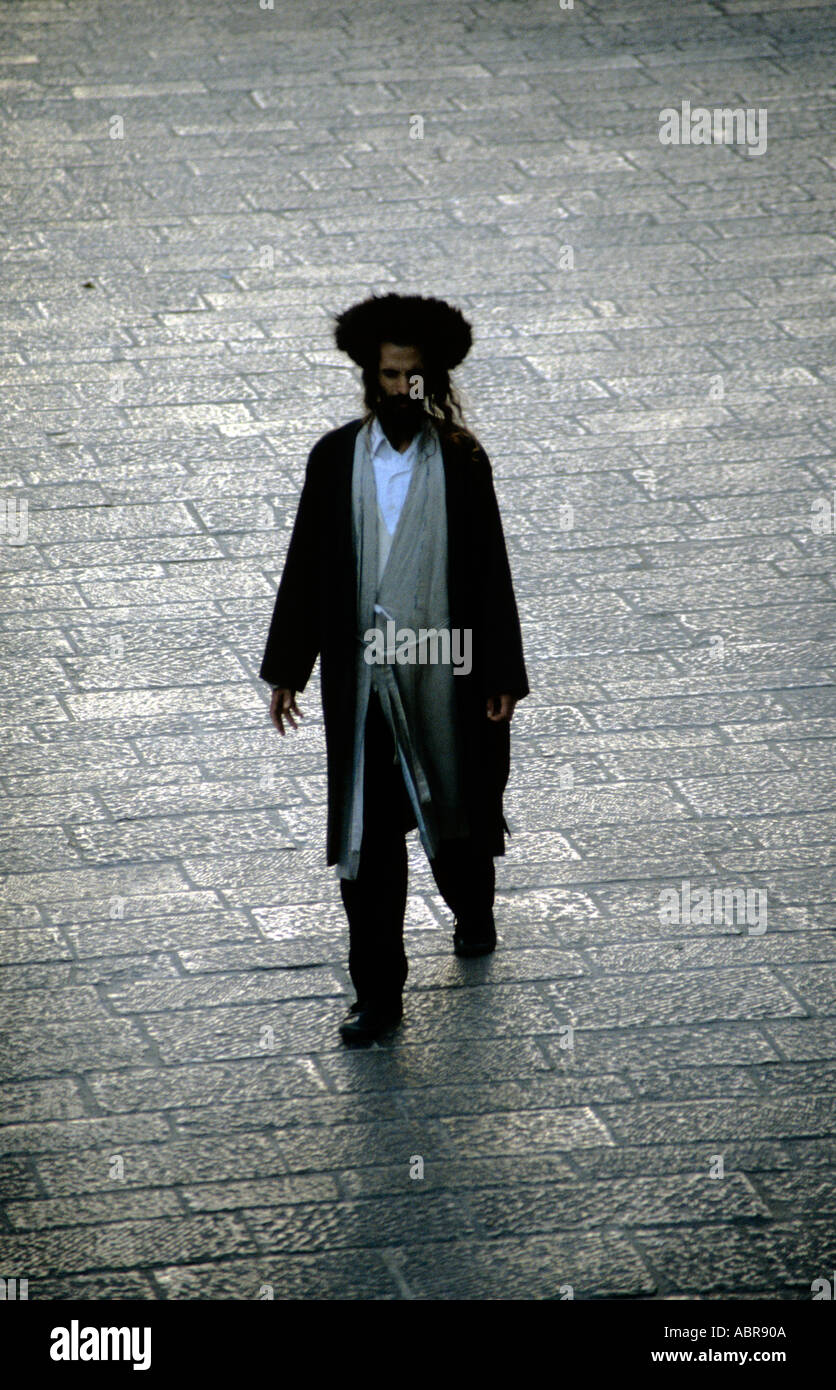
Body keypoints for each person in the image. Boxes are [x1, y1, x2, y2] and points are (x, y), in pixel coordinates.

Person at [259, 293, 529, 1045]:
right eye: (388, 375)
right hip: (365, 675)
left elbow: (488, 572)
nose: (400, 389)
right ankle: (379, 993)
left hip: (448, 665)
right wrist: (290, 668)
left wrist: (499, 673)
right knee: (369, 833)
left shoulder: (464, 460)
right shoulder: (335, 457)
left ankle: (474, 910)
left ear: (432, 380)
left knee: (458, 810)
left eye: (413, 377)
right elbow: (309, 568)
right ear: (369, 378)